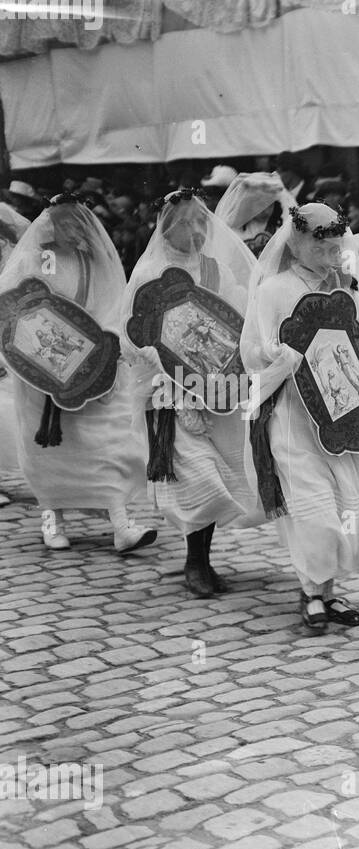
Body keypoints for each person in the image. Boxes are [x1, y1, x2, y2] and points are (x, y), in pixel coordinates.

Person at [240, 203, 359, 633]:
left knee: (345, 505)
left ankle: (325, 591)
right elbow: (252, 351)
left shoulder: (347, 286)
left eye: (336, 248)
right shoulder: (274, 289)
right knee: (315, 511)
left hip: (342, 415)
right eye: (321, 249)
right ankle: (312, 592)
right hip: (293, 415)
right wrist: (276, 355)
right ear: (298, 245)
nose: (330, 257)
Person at [121, 190, 264, 596]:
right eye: (185, 223)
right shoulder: (150, 274)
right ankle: (195, 562)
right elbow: (131, 337)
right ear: (167, 228)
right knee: (196, 472)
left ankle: (201, 555)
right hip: (169, 393)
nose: (196, 231)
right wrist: (167, 373)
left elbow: (241, 321)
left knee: (219, 473)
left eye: (201, 223)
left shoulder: (219, 271)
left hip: (218, 390)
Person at [0, 197, 155, 552]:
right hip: (41, 370)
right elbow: (15, 305)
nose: (74, 230)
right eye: (65, 223)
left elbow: (114, 303)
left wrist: (108, 345)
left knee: (107, 441)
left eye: (79, 223)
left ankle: (121, 522)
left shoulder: (95, 260)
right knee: (48, 450)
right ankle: (52, 515)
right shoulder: (37, 257)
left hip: (93, 367)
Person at [214, 172, 295, 256]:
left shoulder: (281, 227)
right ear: (248, 203)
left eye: (270, 205)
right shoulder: (234, 228)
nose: (266, 211)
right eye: (260, 205)